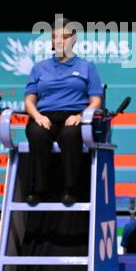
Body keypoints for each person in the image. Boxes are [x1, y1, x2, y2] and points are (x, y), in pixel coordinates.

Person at [23, 22, 103, 206]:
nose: (59, 41)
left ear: (73, 40)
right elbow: (29, 100)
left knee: (70, 134)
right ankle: (38, 191)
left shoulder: (86, 67)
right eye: (55, 37)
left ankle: (70, 190)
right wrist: (37, 116)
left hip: (74, 115)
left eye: (64, 37)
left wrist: (81, 116)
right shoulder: (39, 67)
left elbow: (96, 100)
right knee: (36, 133)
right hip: (45, 116)